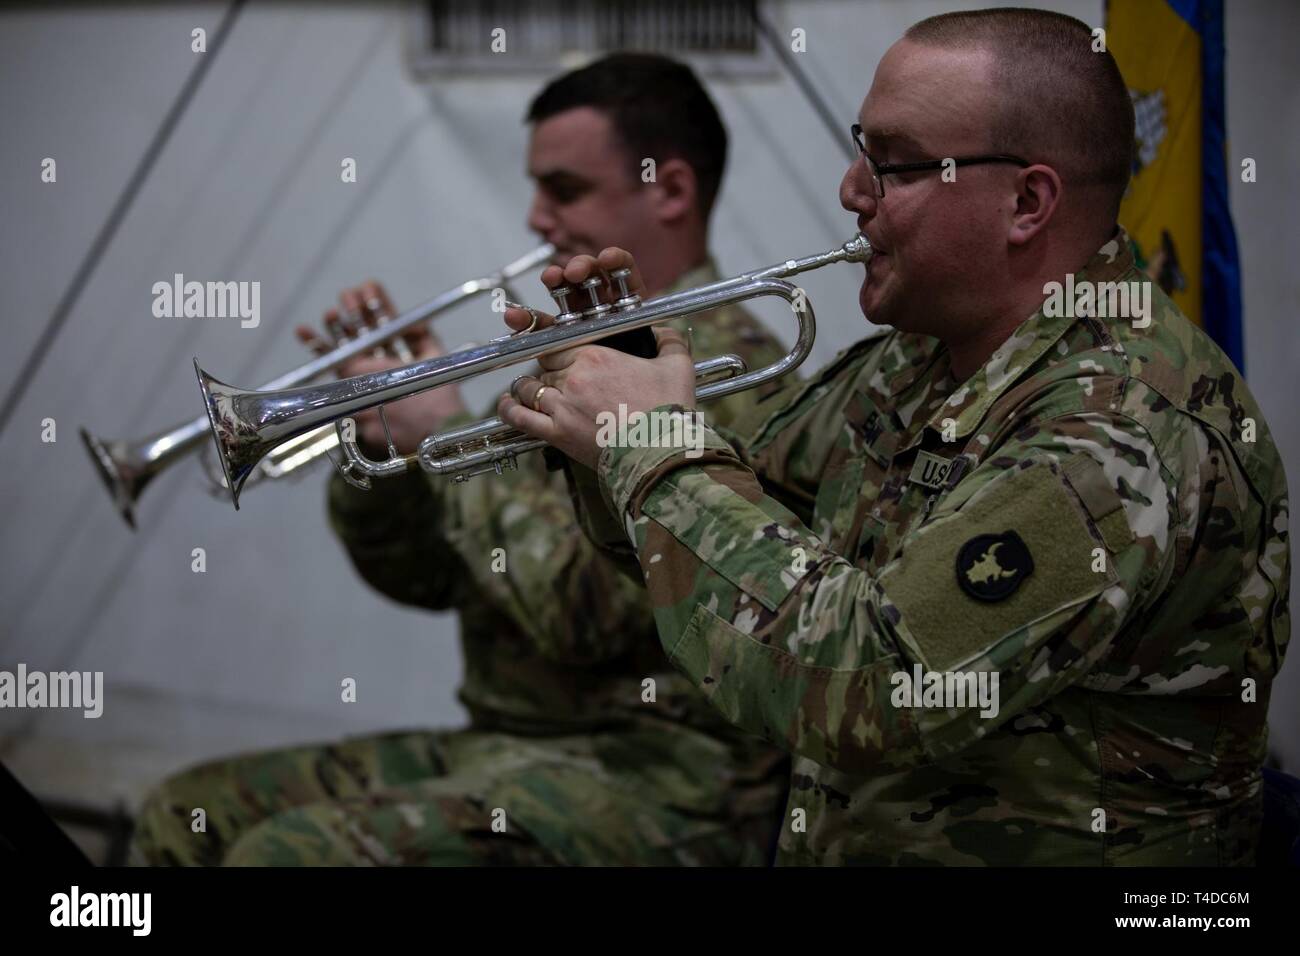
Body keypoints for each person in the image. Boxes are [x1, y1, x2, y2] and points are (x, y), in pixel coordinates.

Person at [498, 9, 1291, 865]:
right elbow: (712, 556)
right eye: (859, 146)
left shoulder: (1123, 428)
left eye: (895, 161)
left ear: (1026, 202)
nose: (851, 188)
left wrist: (648, 446)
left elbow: (868, 684)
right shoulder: (915, 363)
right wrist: (613, 405)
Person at [131, 54, 790, 867]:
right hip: (506, 744)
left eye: (565, 189)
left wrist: (440, 420)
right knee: (185, 813)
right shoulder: (565, 354)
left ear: (671, 190)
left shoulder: (735, 371)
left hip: (664, 777)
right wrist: (383, 449)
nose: (537, 217)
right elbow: (427, 579)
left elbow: (581, 617)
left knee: (289, 856)